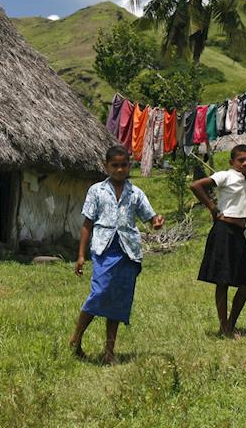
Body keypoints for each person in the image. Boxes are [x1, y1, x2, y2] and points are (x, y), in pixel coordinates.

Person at [69, 144, 165, 364]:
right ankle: (76, 338)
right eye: (115, 166)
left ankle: (109, 351)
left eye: (124, 165)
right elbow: (87, 223)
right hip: (104, 248)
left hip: (128, 251)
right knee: (100, 293)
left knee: (118, 301)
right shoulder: (96, 191)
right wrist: (81, 254)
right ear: (106, 166)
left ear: (129, 165)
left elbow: (150, 217)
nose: (120, 170)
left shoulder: (136, 193)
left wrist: (157, 221)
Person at [191, 144, 246, 338]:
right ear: (232, 162)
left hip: (239, 233)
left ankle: (231, 323)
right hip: (223, 230)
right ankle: (224, 326)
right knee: (223, 280)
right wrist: (212, 207)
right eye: (241, 160)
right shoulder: (225, 175)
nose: (245, 163)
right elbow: (196, 185)